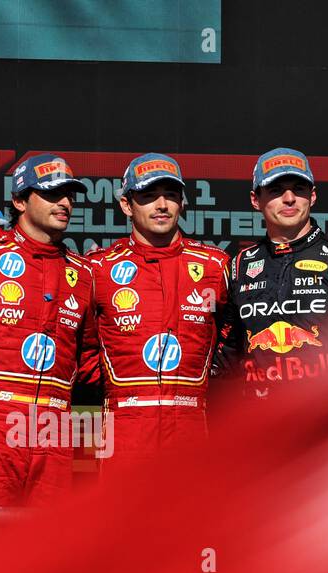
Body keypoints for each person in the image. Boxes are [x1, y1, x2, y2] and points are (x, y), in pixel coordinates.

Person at [0, 154, 96, 507]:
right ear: (19, 200)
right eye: (52, 194)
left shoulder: (85, 274)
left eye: (69, 195)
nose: (64, 203)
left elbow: (91, 352)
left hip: (54, 422)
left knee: (45, 547)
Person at [86, 153, 230, 466]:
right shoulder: (98, 268)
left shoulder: (215, 265)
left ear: (182, 203)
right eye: (149, 196)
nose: (162, 205)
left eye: (171, 196)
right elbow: (79, 345)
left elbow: (232, 340)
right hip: (126, 426)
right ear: (127, 205)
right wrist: (121, 380)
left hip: (191, 423)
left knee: (193, 516)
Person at [215, 147, 328, 396]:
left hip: (324, 417)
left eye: (298, 189)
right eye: (276, 190)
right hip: (261, 418)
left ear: (313, 196)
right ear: (256, 200)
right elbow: (226, 361)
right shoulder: (239, 267)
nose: (289, 199)